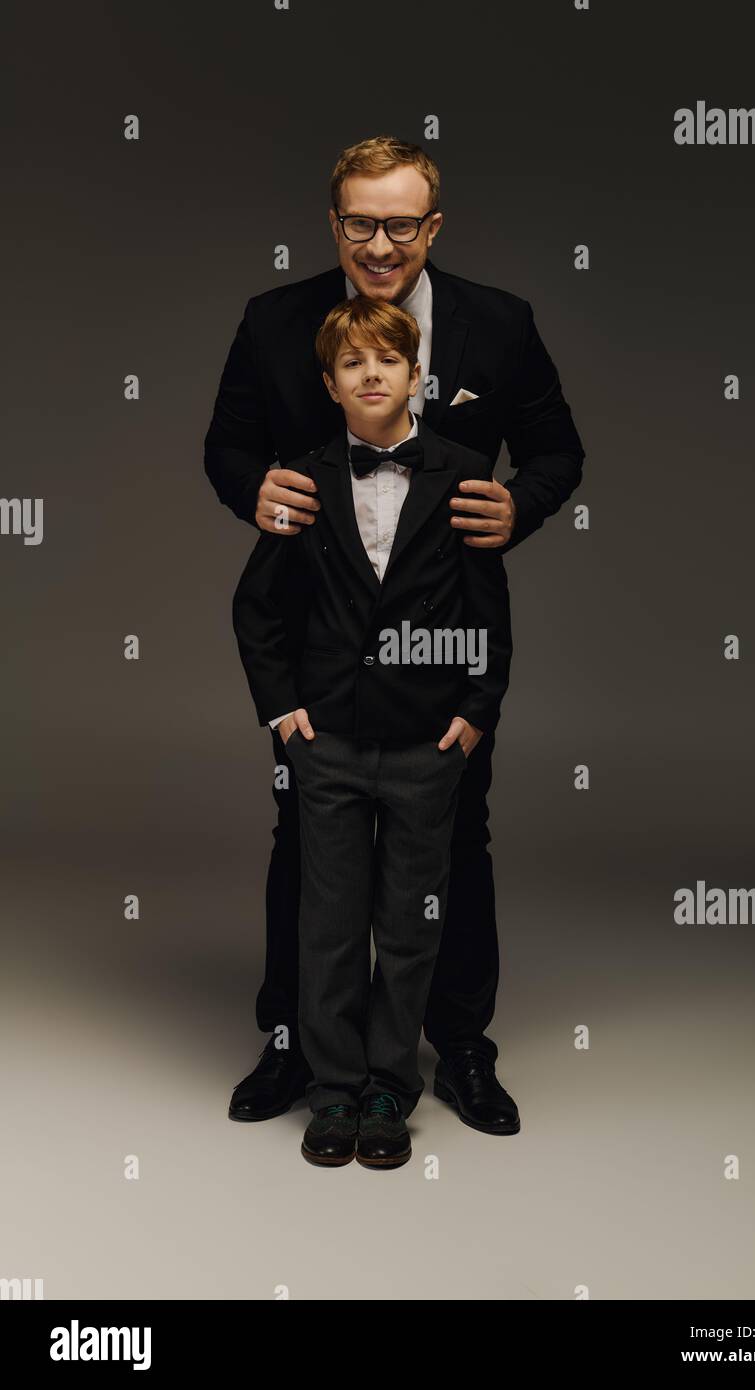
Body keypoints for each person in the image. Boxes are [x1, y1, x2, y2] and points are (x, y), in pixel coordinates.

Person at [204, 135, 585, 1135]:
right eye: (360, 223)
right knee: (306, 843)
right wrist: (253, 486)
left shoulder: (497, 326)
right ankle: (295, 1041)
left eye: (400, 223)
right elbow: (227, 444)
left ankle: (456, 1041)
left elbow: (554, 450)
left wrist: (519, 507)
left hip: (443, 640)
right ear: (334, 224)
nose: (380, 243)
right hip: (319, 640)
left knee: (459, 836)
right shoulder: (272, 320)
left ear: (433, 225)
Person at [231, 295, 512, 1167]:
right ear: (330, 384)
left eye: (388, 361)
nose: (372, 375)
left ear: (416, 377)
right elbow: (257, 610)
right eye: (352, 365)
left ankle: (392, 1085)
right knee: (329, 919)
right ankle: (334, 1089)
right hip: (330, 747)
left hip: (429, 746)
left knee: (411, 917)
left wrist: (472, 716)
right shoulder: (304, 480)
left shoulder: (465, 474)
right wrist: (284, 715)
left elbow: (487, 618)